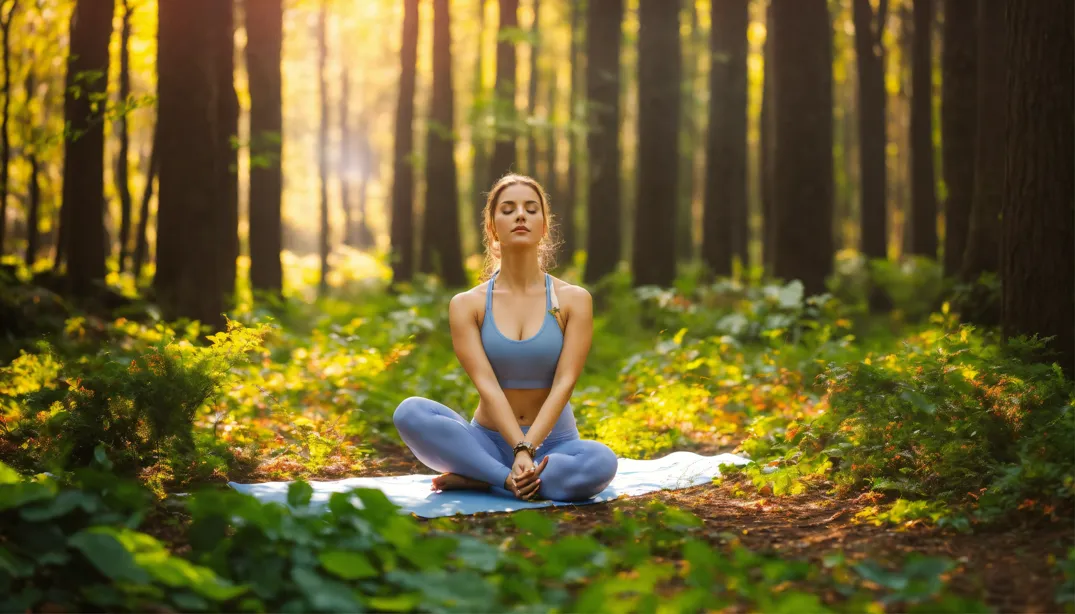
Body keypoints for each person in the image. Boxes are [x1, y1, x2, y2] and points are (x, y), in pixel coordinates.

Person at [393, 173, 618, 502]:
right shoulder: (467, 305)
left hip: (554, 446)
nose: (521, 215)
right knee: (410, 412)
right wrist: (516, 447)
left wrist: (529, 448)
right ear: (492, 227)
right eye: (508, 209)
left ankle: (484, 477)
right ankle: (504, 476)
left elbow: (565, 382)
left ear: (544, 225)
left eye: (531, 208)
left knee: (601, 462)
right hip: (486, 440)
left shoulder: (574, 299)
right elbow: (487, 385)